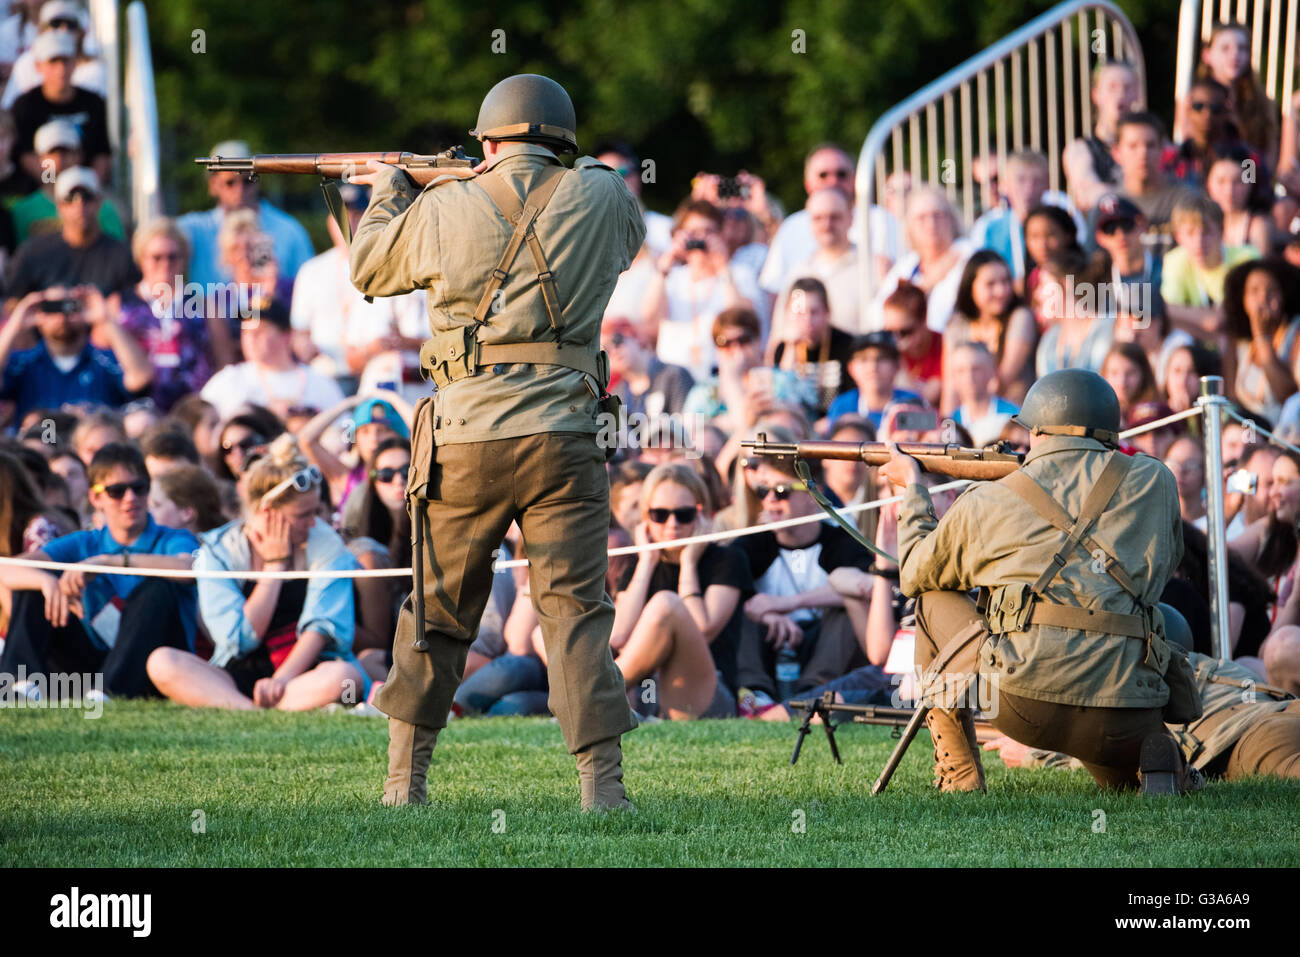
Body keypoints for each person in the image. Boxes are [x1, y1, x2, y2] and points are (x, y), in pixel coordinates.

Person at [348, 74, 645, 811]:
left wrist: (393, 185)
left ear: (486, 140)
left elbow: (369, 267)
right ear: (566, 140)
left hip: (466, 435)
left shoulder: (444, 204)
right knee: (575, 612)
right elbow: (625, 239)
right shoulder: (603, 193)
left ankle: (402, 785)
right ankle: (601, 790)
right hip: (567, 434)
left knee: (438, 611)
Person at [881, 369, 1197, 794]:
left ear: (1040, 431)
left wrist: (914, 490)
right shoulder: (1156, 481)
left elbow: (916, 573)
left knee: (933, 600)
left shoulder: (989, 499)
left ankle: (959, 775)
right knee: (1159, 621)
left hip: (1019, 700)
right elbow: (1164, 566)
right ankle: (1154, 756)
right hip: (1126, 703)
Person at [146, 435, 369, 710]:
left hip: (304, 672)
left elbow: (322, 627)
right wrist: (274, 568)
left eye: (315, 512)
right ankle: (250, 711)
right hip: (238, 671)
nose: (313, 523)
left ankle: (249, 709)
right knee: (162, 661)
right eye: (302, 515)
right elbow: (237, 639)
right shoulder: (217, 551)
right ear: (267, 512)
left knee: (345, 677)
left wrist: (281, 680)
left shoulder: (324, 541)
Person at [0, 443, 199, 700]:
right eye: (117, 491)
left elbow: (190, 569)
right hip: (90, 664)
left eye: (138, 488)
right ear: (95, 498)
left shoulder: (173, 538)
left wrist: (108, 562)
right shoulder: (84, 542)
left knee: (157, 589)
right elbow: (6, 568)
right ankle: (20, 686)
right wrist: (46, 582)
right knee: (34, 584)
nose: (130, 498)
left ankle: (108, 691)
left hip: (153, 664)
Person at [608, 463, 751, 719]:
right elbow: (617, 636)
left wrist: (688, 563)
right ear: (645, 517)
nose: (672, 524)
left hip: (708, 697)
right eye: (660, 514)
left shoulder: (728, 559)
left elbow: (704, 629)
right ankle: (600, 696)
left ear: (702, 514)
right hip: (647, 696)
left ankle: (597, 695)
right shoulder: (639, 568)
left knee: (667, 604)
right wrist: (647, 562)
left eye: (684, 514)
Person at [735, 456, 873, 712]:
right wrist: (768, 616)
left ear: (814, 495)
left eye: (781, 491)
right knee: (740, 610)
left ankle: (812, 695)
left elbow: (865, 586)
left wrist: (785, 604)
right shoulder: (752, 543)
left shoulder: (840, 541)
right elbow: (732, 594)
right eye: (763, 491)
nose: (770, 501)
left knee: (846, 606)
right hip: (772, 645)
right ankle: (756, 694)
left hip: (823, 648)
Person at [642, 197, 759, 380]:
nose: (700, 239)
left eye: (708, 232)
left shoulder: (738, 274)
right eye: (693, 233)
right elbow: (649, 322)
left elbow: (743, 321)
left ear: (721, 234)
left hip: (721, 376)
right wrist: (666, 264)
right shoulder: (671, 277)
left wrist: (722, 267)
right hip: (674, 380)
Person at [0, 284, 152, 424]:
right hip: (40, 447)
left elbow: (141, 377)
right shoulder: (24, 362)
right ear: (39, 314)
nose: (62, 316)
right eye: (53, 307)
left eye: (70, 306)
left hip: (92, 448)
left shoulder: (104, 360)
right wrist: (16, 322)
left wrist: (105, 319)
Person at [117, 217, 225, 410]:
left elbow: (224, 363)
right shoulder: (120, 305)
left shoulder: (204, 304)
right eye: (157, 257)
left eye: (173, 256)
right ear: (141, 259)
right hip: (138, 406)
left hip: (195, 408)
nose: (165, 263)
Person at [176, 139, 314, 289]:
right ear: (213, 185)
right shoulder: (193, 229)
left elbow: (309, 288)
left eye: (247, 181)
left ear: (257, 180)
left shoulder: (289, 231)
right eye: (230, 183)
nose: (240, 191)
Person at [4, 166, 137, 301]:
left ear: (99, 202)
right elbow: (10, 303)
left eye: (87, 197)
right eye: (70, 198)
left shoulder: (123, 254)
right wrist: (39, 310)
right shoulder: (32, 252)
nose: (79, 204)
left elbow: (136, 310)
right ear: (59, 205)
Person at [198, 300, 344, 422]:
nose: (250, 337)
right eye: (246, 331)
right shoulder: (229, 380)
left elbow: (344, 430)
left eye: (259, 331)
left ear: (286, 336)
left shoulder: (319, 382)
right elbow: (198, 424)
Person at [9, 28, 108, 183]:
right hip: (40, 188)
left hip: (83, 189)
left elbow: (102, 151)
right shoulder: (25, 105)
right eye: (53, 61)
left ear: (75, 63)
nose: (61, 69)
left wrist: (87, 187)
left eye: (66, 61)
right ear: (38, 66)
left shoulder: (94, 103)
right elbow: (25, 153)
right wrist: (53, 187)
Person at [944, 249, 1038, 409]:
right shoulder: (957, 325)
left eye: (1006, 281)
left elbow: (1000, 383)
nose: (1001, 291)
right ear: (970, 287)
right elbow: (951, 390)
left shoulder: (1021, 317)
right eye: (990, 284)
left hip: (1014, 419)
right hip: (970, 420)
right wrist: (948, 428)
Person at [870, 186, 973, 332]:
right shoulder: (907, 266)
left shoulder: (971, 258)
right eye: (921, 218)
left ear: (952, 219)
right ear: (909, 226)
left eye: (938, 215)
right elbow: (877, 314)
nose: (931, 224)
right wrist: (925, 286)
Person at [1162, 191, 1258, 337]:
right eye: (1190, 233)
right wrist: (1208, 322)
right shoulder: (1174, 260)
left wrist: (1184, 315)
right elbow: (1167, 315)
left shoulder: (1246, 259)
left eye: (1207, 232)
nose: (1199, 242)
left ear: (1221, 231)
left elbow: (1220, 320)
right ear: (1178, 237)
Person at [10, 116, 121, 242]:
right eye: (52, 153)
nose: (60, 160)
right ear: (39, 158)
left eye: (66, 152)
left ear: (79, 155)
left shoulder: (101, 208)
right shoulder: (23, 211)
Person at [772, 187, 862, 336]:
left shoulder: (873, 267)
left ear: (851, 219)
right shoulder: (798, 273)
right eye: (818, 218)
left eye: (835, 217)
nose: (827, 224)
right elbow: (779, 334)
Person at [1222, 257, 1300, 422]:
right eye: (1254, 291)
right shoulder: (1237, 341)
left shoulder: (1295, 334)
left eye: (1272, 291)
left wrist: (1262, 336)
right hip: (1249, 433)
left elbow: (1286, 395)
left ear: (1284, 296)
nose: (1263, 298)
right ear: (1243, 299)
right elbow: (1231, 397)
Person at [1063, 61, 1142, 213]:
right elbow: (1088, 194)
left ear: (1137, 94)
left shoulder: (1151, 143)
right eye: (1112, 87)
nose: (1120, 95)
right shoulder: (1079, 150)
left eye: (1127, 88)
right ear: (1096, 95)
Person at [1110, 112, 1191, 259]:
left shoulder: (1187, 200)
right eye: (1133, 146)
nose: (1143, 153)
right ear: (1116, 153)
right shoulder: (1109, 206)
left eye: (1150, 145)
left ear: (1163, 149)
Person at [826, 331, 922, 430]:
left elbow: (925, 438)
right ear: (851, 368)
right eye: (863, 359)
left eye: (882, 358)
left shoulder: (913, 404)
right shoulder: (841, 406)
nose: (873, 367)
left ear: (897, 365)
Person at [948, 341, 1020, 447]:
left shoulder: (1013, 417)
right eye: (961, 371)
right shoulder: (951, 422)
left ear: (992, 371)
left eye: (976, 369)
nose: (969, 377)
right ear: (953, 377)